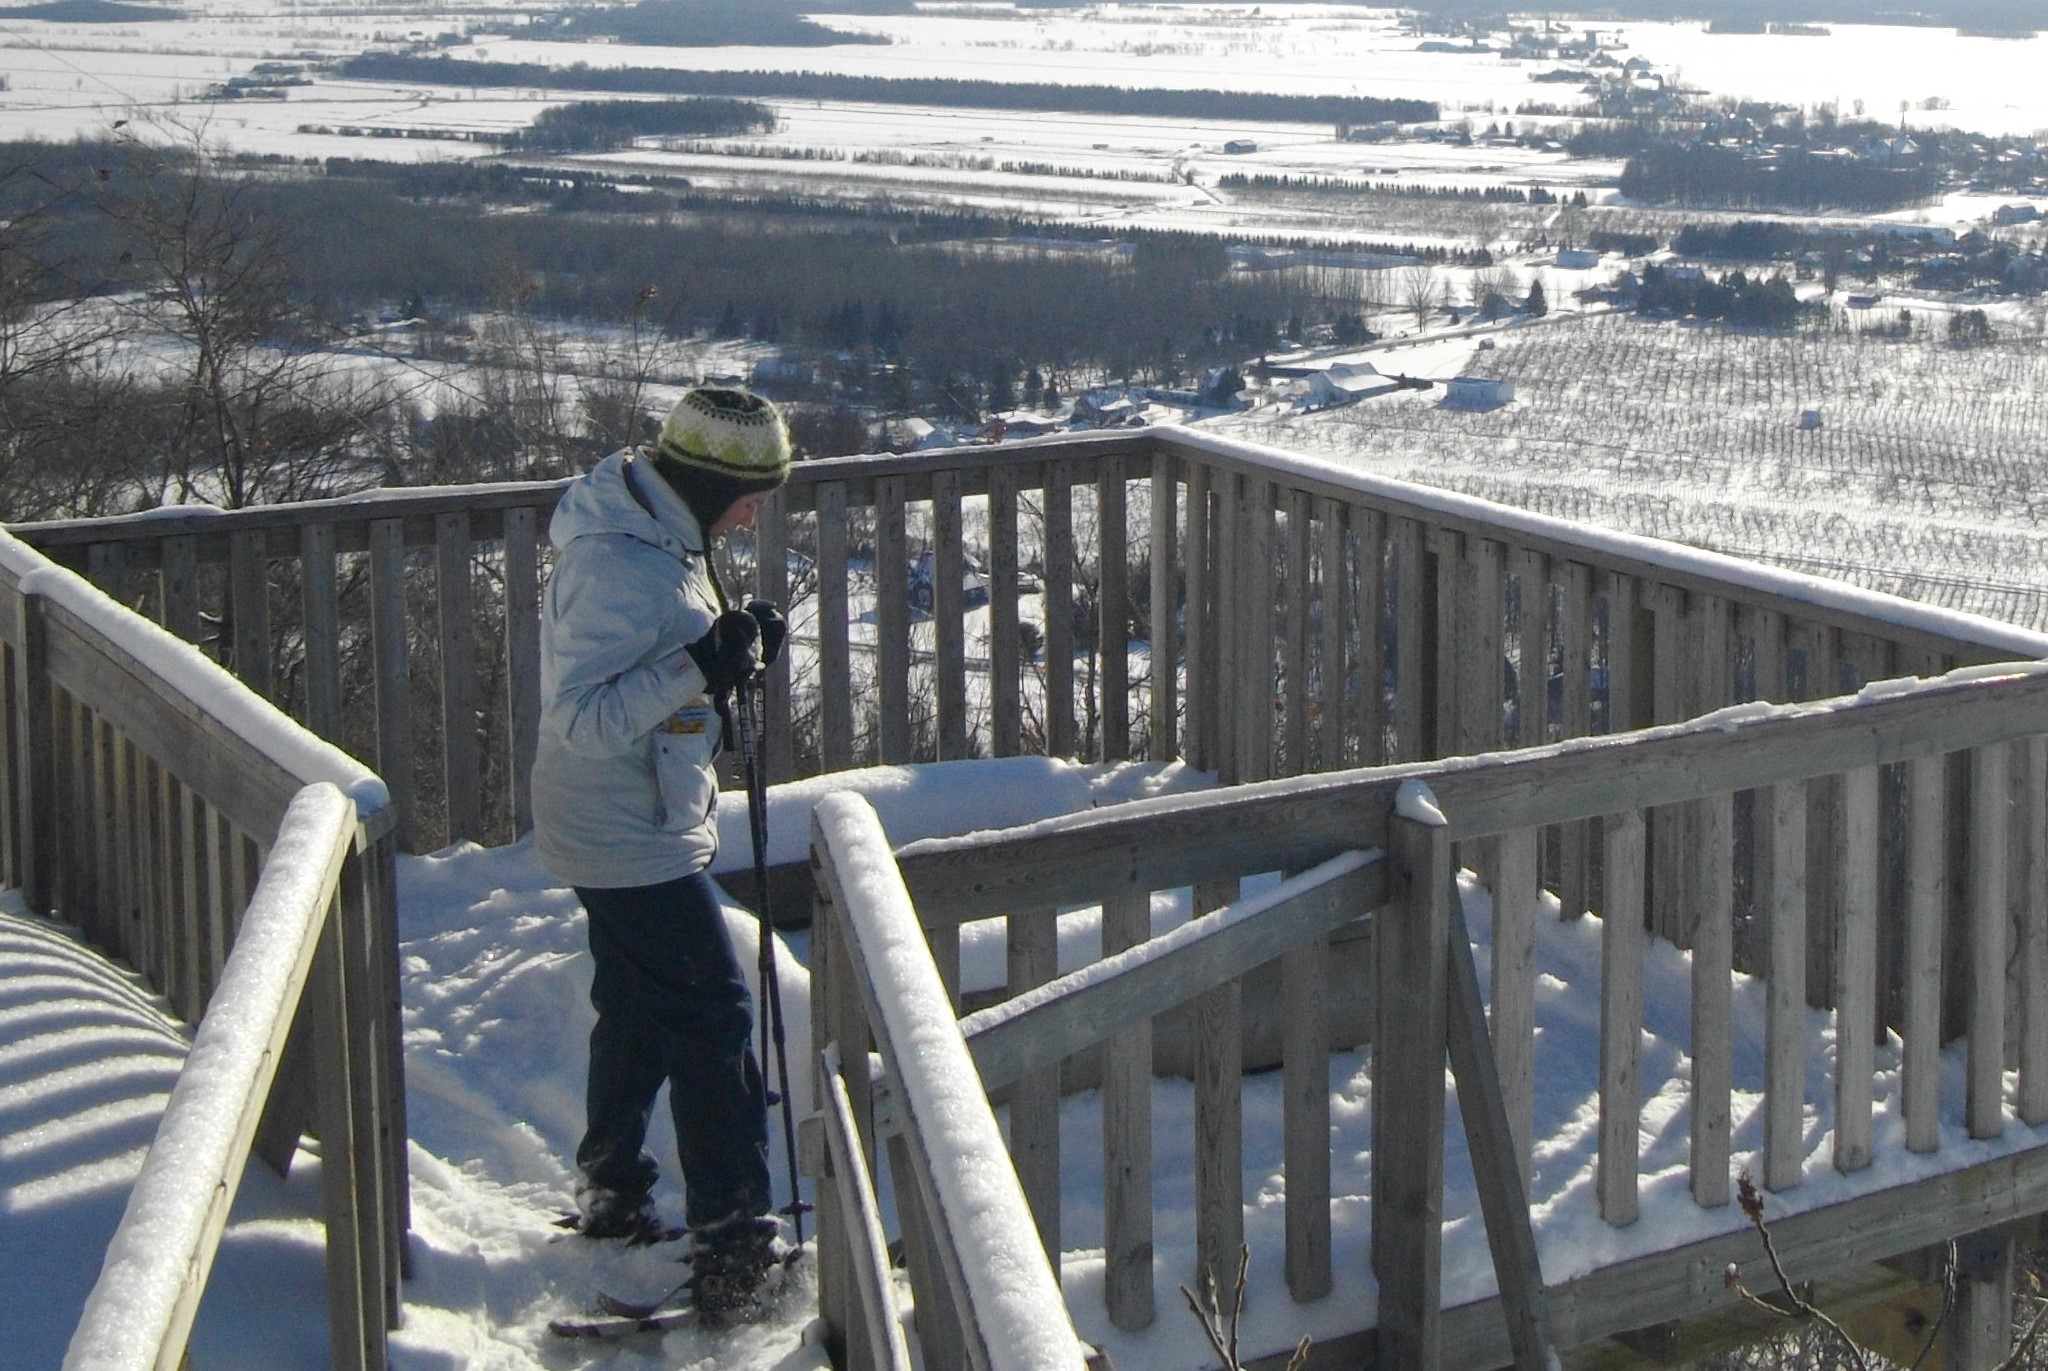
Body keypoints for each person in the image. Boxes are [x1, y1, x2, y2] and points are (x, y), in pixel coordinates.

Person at [530, 385, 793, 1320]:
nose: (758, 508)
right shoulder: (617, 562)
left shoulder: (664, 538)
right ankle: (733, 1243)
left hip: (635, 816)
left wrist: (733, 649)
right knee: (715, 1019)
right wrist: (701, 664)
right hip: (621, 830)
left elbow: (663, 671)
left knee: (639, 1006)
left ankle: (614, 1187)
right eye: (751, 490)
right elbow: (581, 719)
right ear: (710, 479)